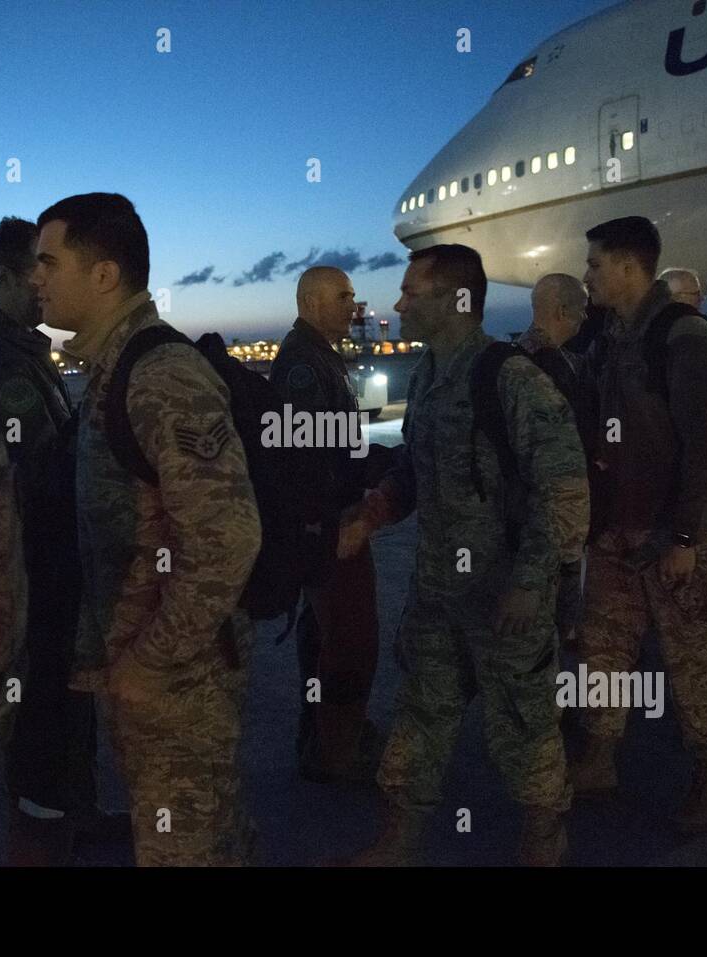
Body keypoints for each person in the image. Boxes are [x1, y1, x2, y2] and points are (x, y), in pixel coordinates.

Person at [32, 192, 261, 866]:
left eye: (48, 262)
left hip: (178, 681)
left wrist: (149, 661)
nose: (35, 278)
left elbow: (228, 540)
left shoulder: (159, 374)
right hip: (149, 672)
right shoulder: (113, 370)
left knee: (183, 848)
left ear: (103, 275)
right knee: (209, 836)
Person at [340, 245, 588, 866]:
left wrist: (532, 584)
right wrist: (377, 510)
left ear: (455, 300)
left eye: (410, 292)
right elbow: (416, 466)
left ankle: (543, 841)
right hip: (438, 595)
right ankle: (398, 844)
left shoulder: (510, 377)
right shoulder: (426, 373)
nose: (398, 304)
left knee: (525, 729)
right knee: (419, 719)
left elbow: (563, 488)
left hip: (505, 596)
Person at [571, 217, 707, 833]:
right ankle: (600, 758)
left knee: (694, 660)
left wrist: (689, 536)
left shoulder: (684, 336)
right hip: (618, 532)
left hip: (673, 536)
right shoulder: (612, 337)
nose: (587, 274)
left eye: (594, 264)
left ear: (626, 267)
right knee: (603, 655)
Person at [0, 216, 105, 865]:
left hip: (45, 574)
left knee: (63, 722)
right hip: (29, 581)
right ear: (2, 277)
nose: (47, 283)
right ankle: (42, 843)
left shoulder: (18, 351)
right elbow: (30, 483)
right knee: (43, 728)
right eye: (34, 270)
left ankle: (75, 821)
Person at [270, 266, 383, 783]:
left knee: (325, 639)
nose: (353, 307)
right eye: (344, 297)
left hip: (331, 521)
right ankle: (336, 752)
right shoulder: (303, 365)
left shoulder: (319, 358)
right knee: (348, 641)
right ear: (312, 302)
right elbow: (308, 459)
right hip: (331, 528)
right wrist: (326, 531)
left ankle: (326, 735)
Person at [521, 273, 594, 645]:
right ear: (564, 310)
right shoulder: (543, 367)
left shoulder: (530, 358)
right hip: (551, 522)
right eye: (582, 310)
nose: (585, 318)